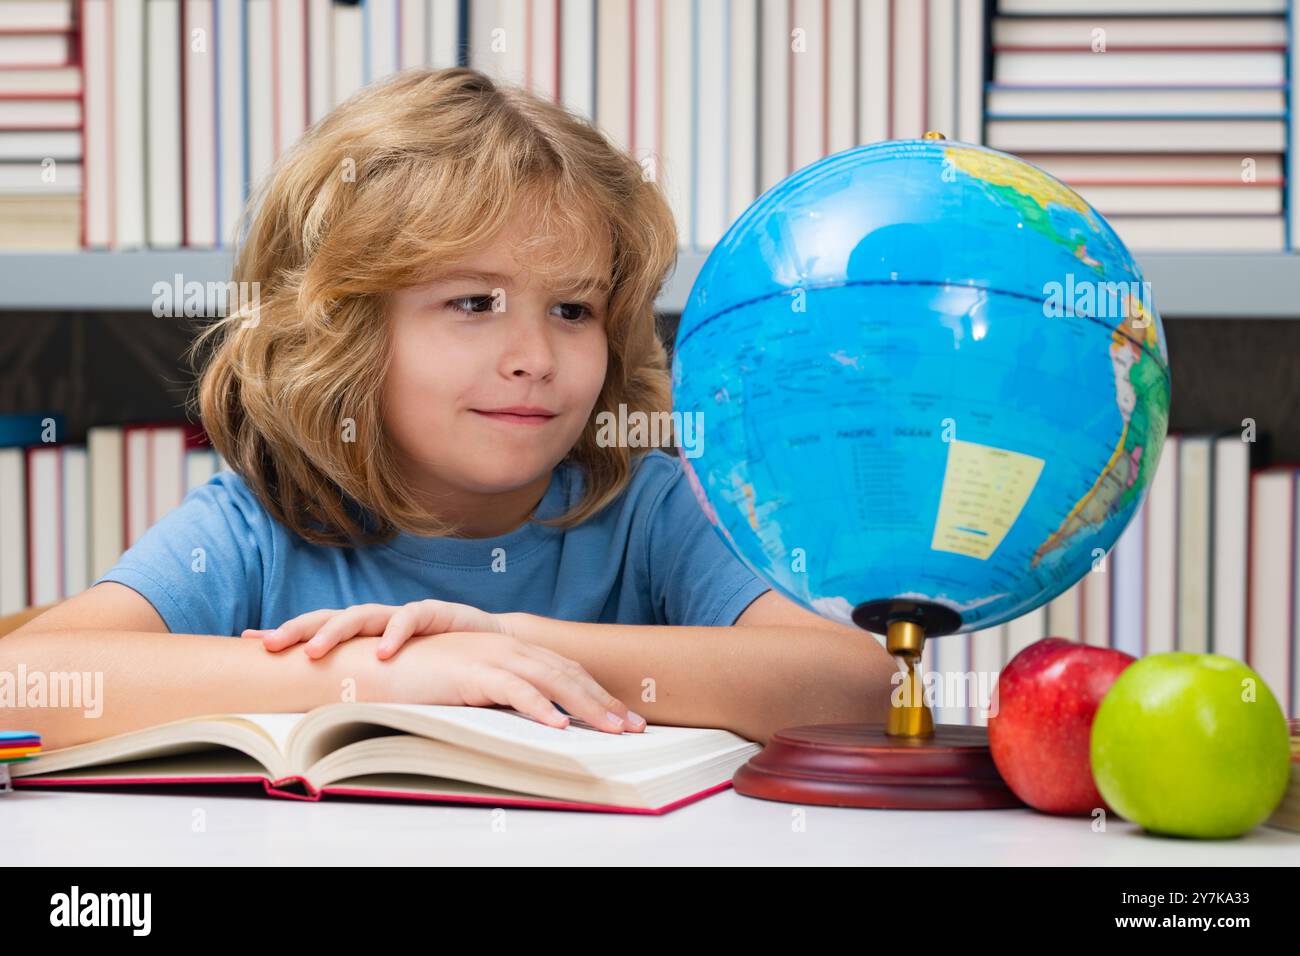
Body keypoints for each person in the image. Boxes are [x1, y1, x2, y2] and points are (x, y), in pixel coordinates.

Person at [2, 68, 893, 751]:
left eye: (574, 310)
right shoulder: (255, 529)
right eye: (474, 305)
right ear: (345, 333)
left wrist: (507, 645)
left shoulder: (649, 511)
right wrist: (381, 671)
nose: (535, 359)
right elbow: (27, 681)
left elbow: (855, 684)